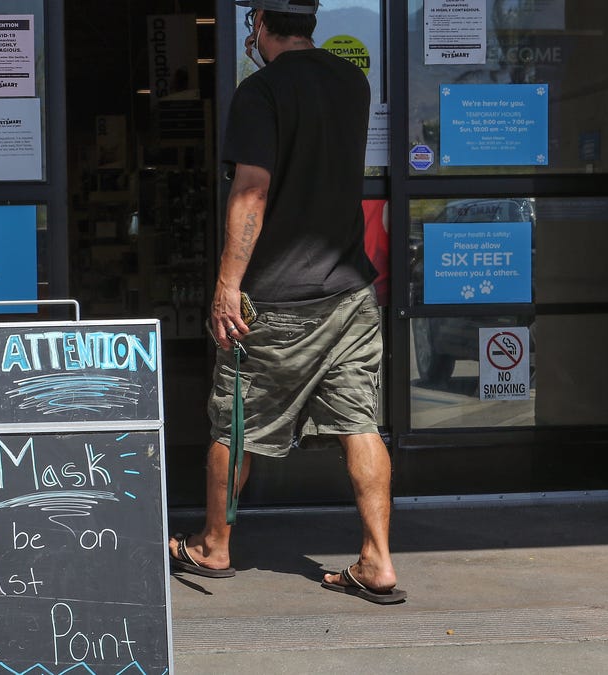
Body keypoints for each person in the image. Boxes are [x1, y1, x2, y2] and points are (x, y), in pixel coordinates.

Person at [168, 0, 406, 604]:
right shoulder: (352, 81)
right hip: (350, 290)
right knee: (359, 422)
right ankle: (378, 561)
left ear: (260, 25)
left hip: (277, 298)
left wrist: (227, 286)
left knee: (236, 423)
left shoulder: (261, 92)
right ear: (312, 24)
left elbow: (251, 192)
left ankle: (213, 546)